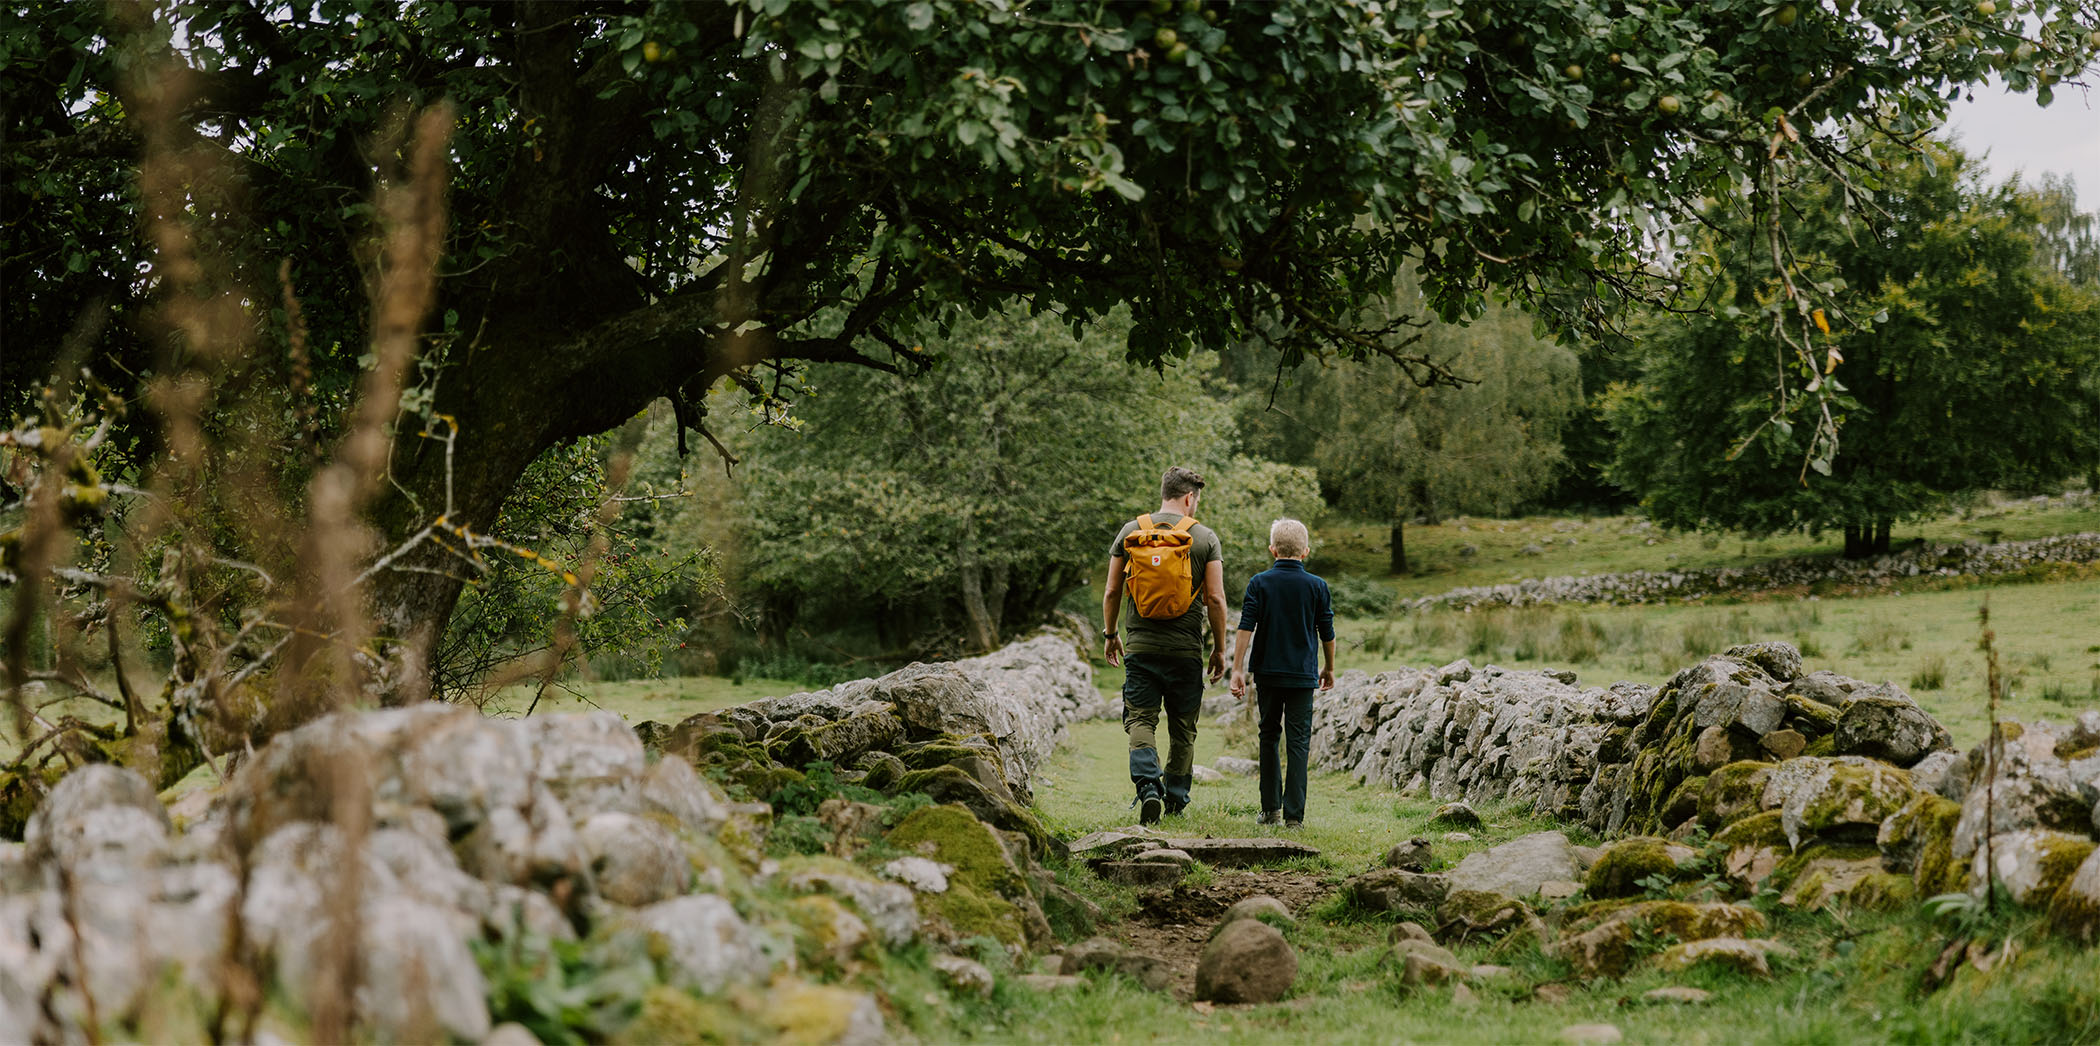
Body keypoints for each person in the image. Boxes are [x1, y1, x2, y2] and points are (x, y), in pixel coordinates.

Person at [1102, 466, 1228, 824]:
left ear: (1165, 492)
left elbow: (1112, 590)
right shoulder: (1204, 537)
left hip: (1141, 647)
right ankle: (1174, 798)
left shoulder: (1130, 532)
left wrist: (1111, 635)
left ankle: (1147, 788)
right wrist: (1218, 649)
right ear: (1190, 497)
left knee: (1141, 718)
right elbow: (1216, 599)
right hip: (1186, 650)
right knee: (1183, 727)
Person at [1229, 518, 1335, 829]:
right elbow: (1326, 631)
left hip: (1268, 673)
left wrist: (1237, 670)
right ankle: (1294, 817)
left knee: (1268, 736)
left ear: (1272, 549)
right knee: (1299, 742)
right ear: (1306, 552)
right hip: (1303, 675)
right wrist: (1328, 666)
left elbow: (1246, 626)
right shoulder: (1317, 586)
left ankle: (1270, 809)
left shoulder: (1259, 583)